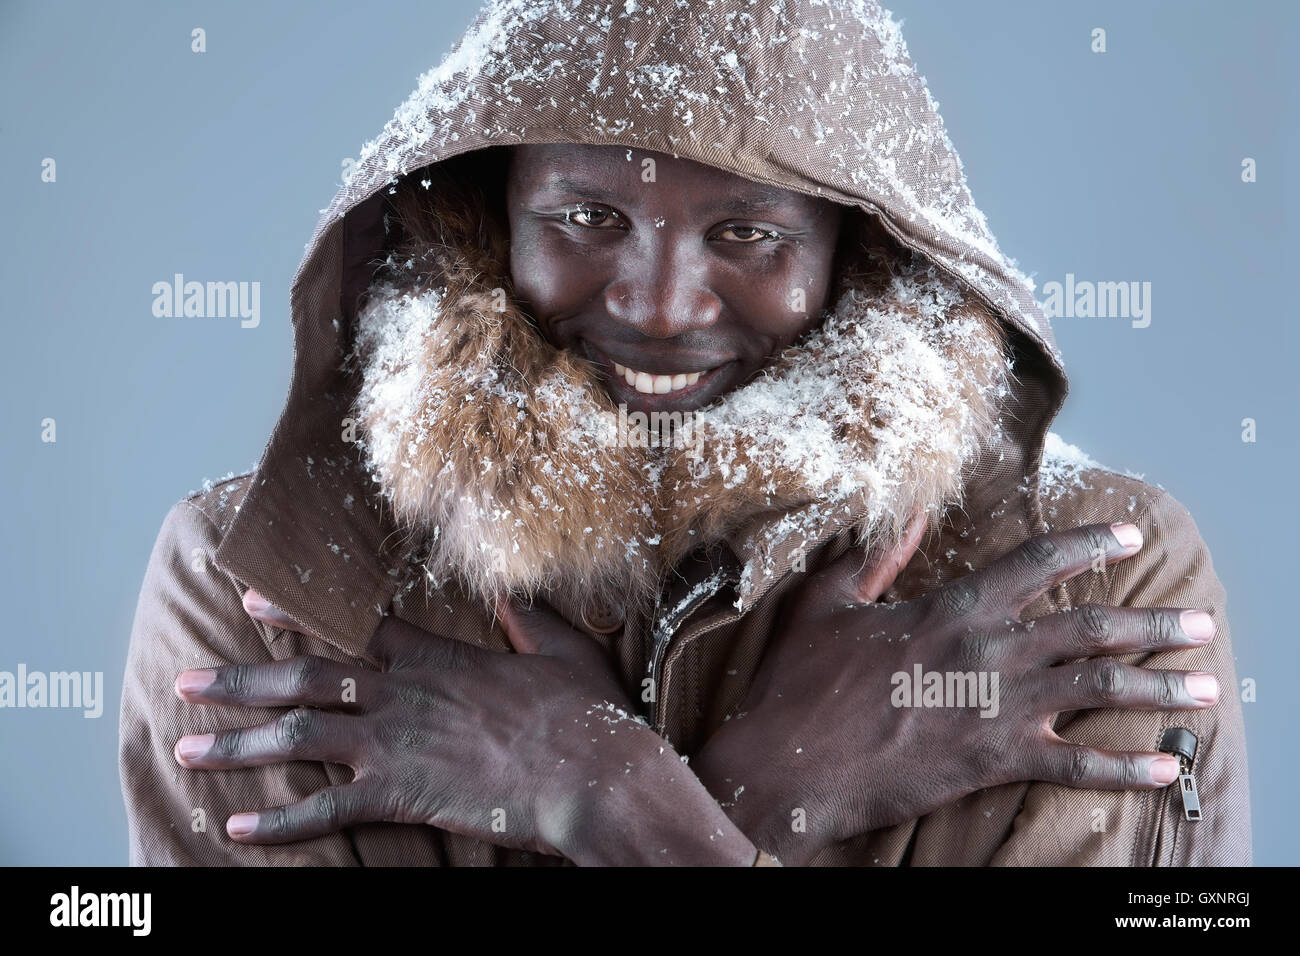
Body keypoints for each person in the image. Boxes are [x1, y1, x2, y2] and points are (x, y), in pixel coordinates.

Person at [119, 0, 1250, 865]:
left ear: (860, 249)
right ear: (485, 208)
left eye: (749, 231)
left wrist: (636, 809)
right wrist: (709, 804)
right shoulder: (265, 587)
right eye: (585, 217)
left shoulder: (1092, 581)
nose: (659, 305)